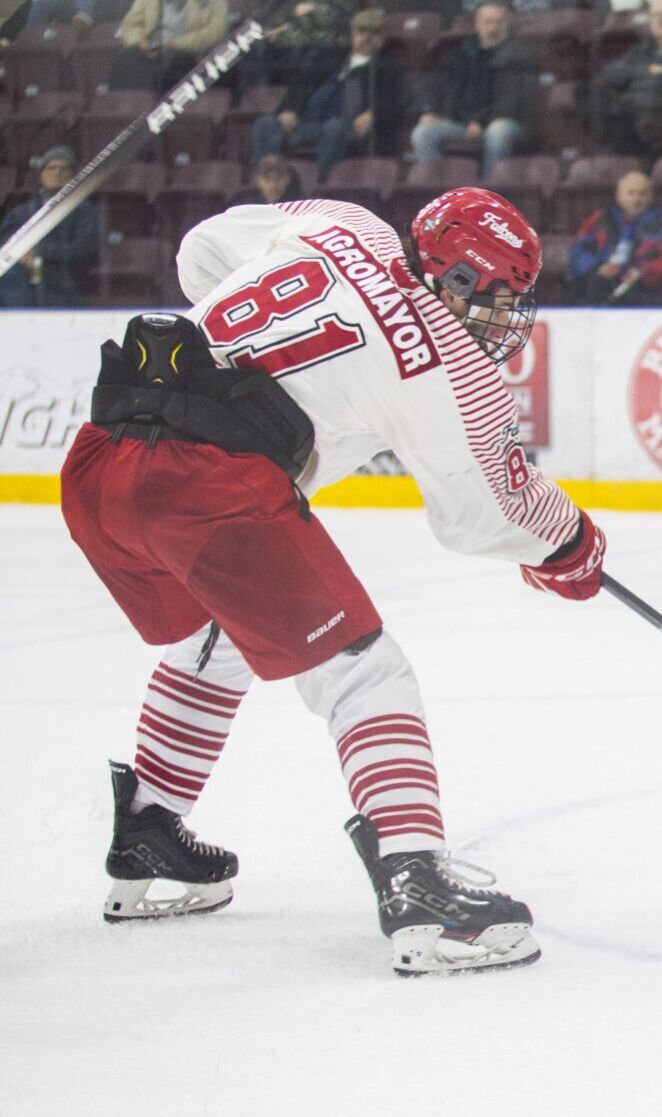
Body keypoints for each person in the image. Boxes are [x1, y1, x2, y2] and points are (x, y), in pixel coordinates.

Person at [59, 186, 607, 975]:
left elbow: (201, 253)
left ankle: (148, 831)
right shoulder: (446, 362)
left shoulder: (342, 220)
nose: (502, 320)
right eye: (497, 299)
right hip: (205, 487)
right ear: (455, 281)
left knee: (222, 635)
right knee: (366, 675)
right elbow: (482, 513)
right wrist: (573, 545)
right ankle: (421, 889)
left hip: (101, 459)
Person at [251, 7, 404, 181]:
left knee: (334, 128)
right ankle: (265, 181)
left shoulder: (387, 69)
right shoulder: (330, 59)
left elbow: (393, 102)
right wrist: (289, 109)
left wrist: (374, 114)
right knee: (265, 124)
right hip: (308, 122)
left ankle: (323, 182)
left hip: (345, 126)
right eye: (362, 31)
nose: (366, 37)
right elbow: (300, 86)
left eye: (373, 32)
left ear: (382, 38)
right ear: (352, 33)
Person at [410, 0, 537, 174]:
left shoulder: (518, 57)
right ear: (477, 24)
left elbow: (511, 101)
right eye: (487, 22)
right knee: (422, 134)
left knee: (499, 131)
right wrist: (431, 111)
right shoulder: (460, 54)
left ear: (507, 24)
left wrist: (480, 122)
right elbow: (436, 85)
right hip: (461, 123)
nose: (492, 28)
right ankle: (441, 188)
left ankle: (488, 191)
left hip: (502, 122)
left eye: (498, 22)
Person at [595, 0, 662, 159]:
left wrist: (637, 75)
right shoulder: (642, 48)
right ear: (650, 20)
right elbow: (612, 74)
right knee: (594, 92)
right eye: (657, 16)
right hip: (632, 111)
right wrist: (648, 70)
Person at [0, 145, 99, 308]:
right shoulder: (22, 212)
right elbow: (5, 242)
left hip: (65, 275)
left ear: (72, 175)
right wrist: (21, 253)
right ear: (42, 174)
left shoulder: (85, 211)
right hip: (22, 275)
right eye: (51, 168)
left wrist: (39, 251)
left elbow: (84, 248)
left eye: (63, 168)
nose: (57, 173)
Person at [567, 170, 662, 305]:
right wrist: (596, 267)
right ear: (618, 196)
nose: (636, 199)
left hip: (640, 287)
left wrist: (642, 270)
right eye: (631, 193)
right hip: (598, 282)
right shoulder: (598, 220)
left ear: (650, 197)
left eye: (642, 194)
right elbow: (578, 250)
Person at [108, 0, 229, 92]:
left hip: (187, 54)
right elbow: (129, 25)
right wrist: (141, 42)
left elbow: (216, 31)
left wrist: (172, 45)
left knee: (162, 67)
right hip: (152, 51)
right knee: (123, 61)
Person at [226, 153, 308, 206]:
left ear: (288, 179)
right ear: (258, 179)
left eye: (278, 179)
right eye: (267, 179)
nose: (273, 185)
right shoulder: (242, 202)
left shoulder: (300, 204)